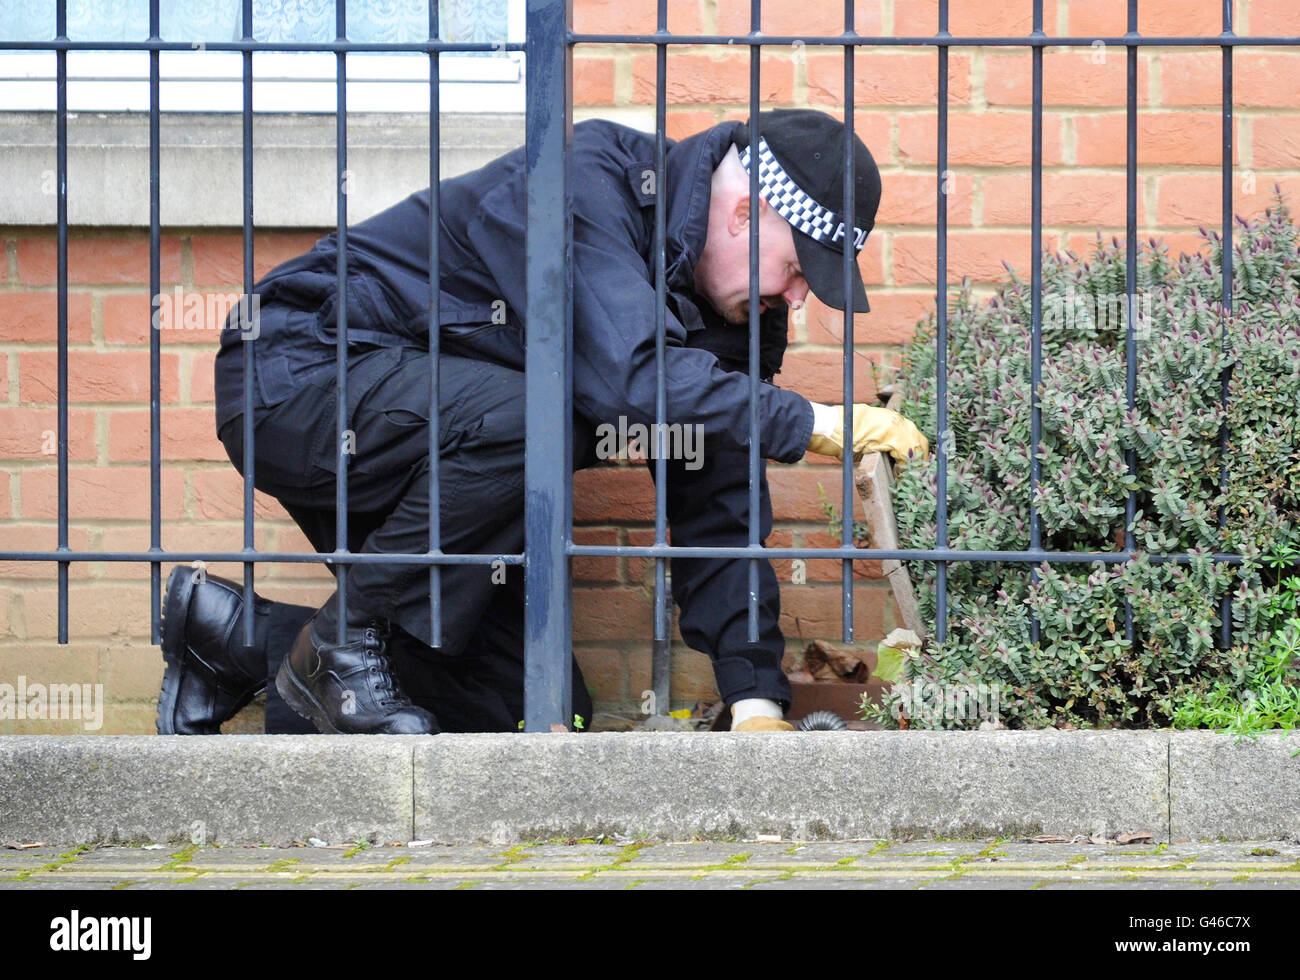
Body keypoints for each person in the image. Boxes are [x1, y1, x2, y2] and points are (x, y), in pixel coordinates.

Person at [155, 108, 929, 737]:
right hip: (304, 374)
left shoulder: (736, 316)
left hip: (437, 440)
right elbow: (628, 378)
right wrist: (814, 421)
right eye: (798, 270)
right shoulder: (592, 184)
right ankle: (342, 639)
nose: (797, 300)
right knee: (539, 417)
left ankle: (231, 640)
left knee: (531, 703)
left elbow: (717, 493)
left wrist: (756, 701)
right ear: (744, 213)